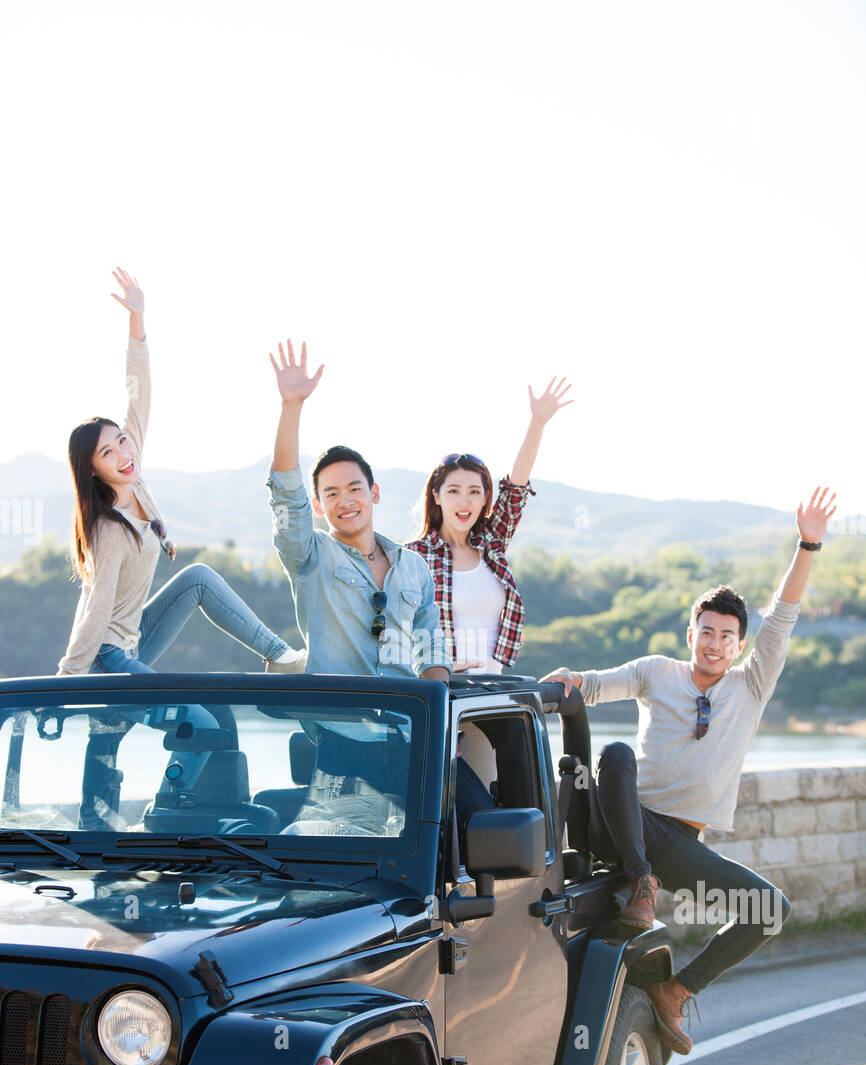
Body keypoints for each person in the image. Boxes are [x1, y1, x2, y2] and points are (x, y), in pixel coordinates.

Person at [543, 487, 837, 1055]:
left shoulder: (750, 687)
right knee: (615, 755)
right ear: (691, 634)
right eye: (707, 631)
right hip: (621, 826)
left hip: (676, 845)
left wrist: (807, 546)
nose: (715, 643)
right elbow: (595, 685)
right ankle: (639, 883)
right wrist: (568, 679)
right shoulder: (658, 672)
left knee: (770, 909)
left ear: (740, 645)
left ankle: (676, 989)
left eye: (727, 636)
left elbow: (782, 619)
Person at [57, 270, 304, 818]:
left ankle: (280, 656)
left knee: (197, 580)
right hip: (106, 656)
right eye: (107, 453)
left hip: (132, 640)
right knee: (191, 725)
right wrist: (64, 684)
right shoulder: (107, 529)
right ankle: (152, 810)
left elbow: (138, 394)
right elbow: (93, 611)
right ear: (92, 471)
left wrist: (138, 321)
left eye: (122, 442)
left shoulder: (135, 480)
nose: (123, 453)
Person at [265, 337, 450, 682]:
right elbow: (286, 493)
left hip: (402, 712)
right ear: (318, 505)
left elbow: (431, 647)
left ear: (374, 493)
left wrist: (435, 706)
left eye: (354, 489)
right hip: (337, 712)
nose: (346, 501)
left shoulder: (413, 567)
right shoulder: (310, 556)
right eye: (332, 493)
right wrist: (291, 405)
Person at [406, 377, 572, 674]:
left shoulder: (491, 543)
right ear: (437, 496)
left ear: (485, 499)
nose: (464, 501)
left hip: (493, 690)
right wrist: (440, 665)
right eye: (454, 491)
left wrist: (537, 423)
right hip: (441, 689)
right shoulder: (413, 556)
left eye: (474, 492)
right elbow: (394, 631)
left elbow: (516, 489)